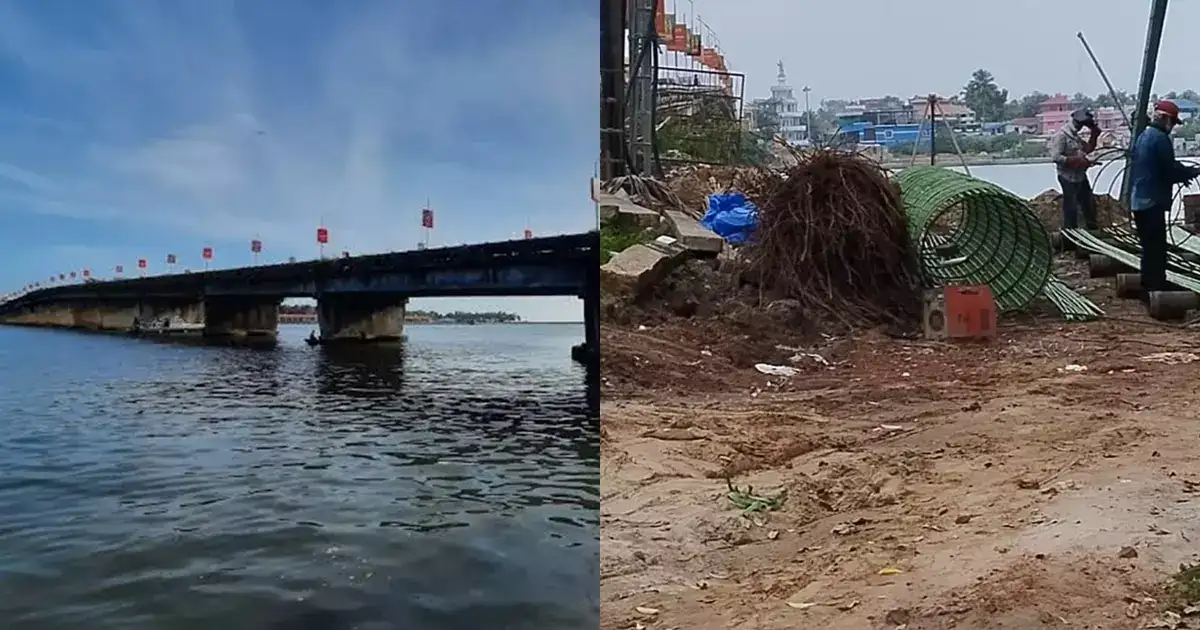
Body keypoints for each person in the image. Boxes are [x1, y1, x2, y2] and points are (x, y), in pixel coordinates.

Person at [1129, 100, 1200, 294]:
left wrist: (1183, 172)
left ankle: (1148, 285)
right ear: (1166, 119)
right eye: (1173, 122)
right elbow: (1169, 171)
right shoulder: (1160, 139)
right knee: (1157, 248)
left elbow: (1164, 167)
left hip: (1139, 200)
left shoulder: (1144, 136)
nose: (1173, 127)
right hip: (1152, 201)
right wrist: (1191, 173)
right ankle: (1156, 288)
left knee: (1148, 247)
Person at [1047, 108, 1102, 231]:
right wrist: (1077, 161)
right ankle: (1070, 231)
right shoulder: (1062, 135)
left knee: (1088, 203)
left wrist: (1094, 133)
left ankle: (1092, 229)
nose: (1081, 127)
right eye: (1081, 124)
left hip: (1080, 176)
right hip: (1067, 176)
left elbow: (1088, 149)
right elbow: (1056, 157)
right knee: (1071, 206)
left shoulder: (1075, 136)